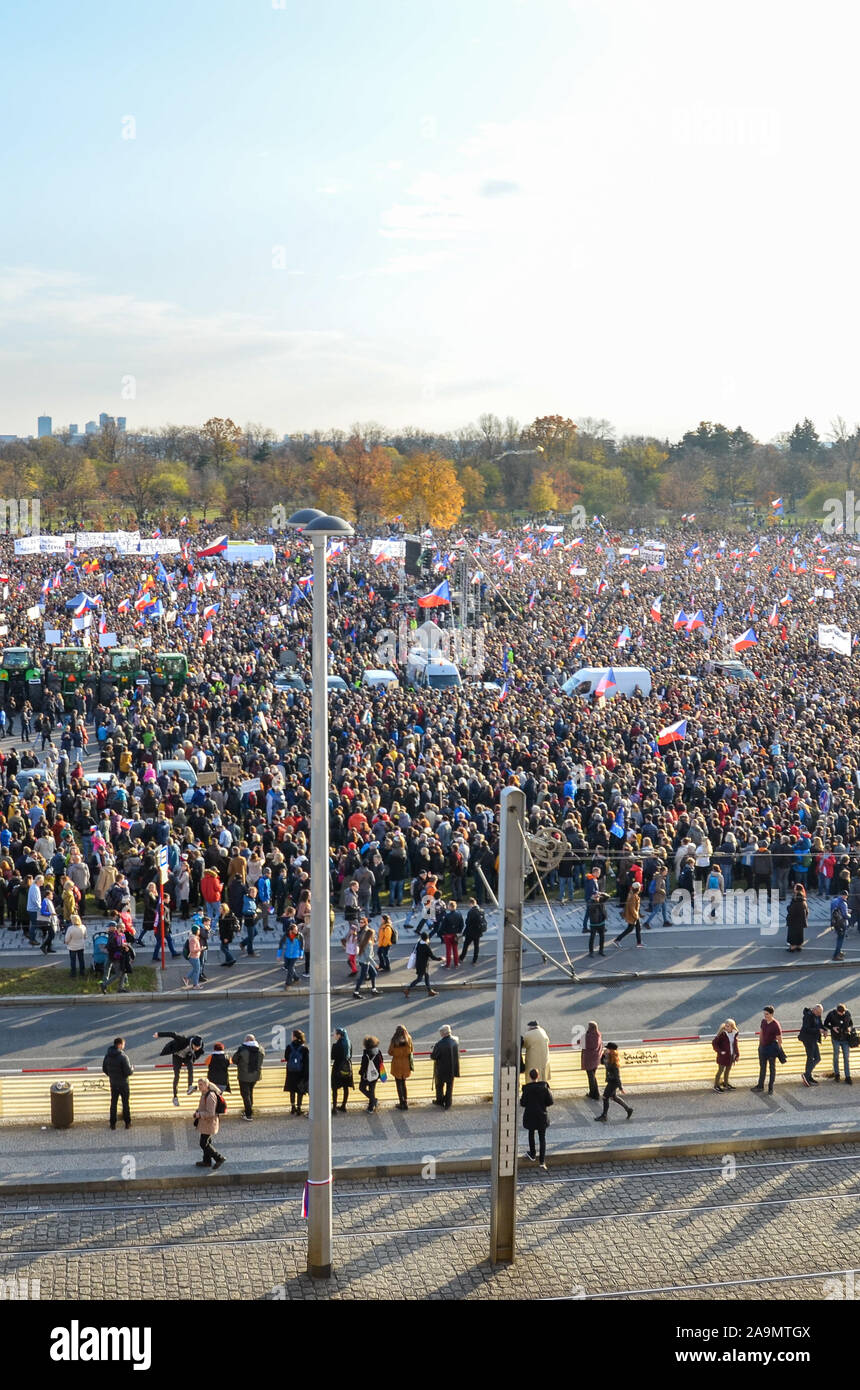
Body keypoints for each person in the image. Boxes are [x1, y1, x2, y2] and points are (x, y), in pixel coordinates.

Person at [154, 1030, 204, 1106]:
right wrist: (159, 1034)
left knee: (190, 1067)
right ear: (192, 1043)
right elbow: (173, 1034)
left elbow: (197, 1054)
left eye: (198, 1047)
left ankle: (190, 1086)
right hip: (177, 1056)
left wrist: (192, 1058)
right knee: (177, 1075)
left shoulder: (200, 1045)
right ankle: (175, 1097)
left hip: (187, 1056)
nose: (197, 1048)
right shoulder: (183, 1040)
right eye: (195, 1047)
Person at [520, 1067, 553, 1169]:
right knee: (542, 1137)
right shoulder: (544, 1088)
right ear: (538, 1076)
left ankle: (532, 1154)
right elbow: (550, 1101)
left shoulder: (527, 1089)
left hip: (530, 1115)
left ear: (530, 1076)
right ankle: (542, 1161)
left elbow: (522, 1103)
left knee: (531, 1133)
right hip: (542, 1115)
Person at [594, 1042, 633, 1121]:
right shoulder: (608, 1057)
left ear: (612, 1050)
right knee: (614, 1097)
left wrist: (620, 1087)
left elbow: (617, 1076)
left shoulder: (614, 1062)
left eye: (608, 1048)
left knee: (605, 1097)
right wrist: (603, 1055)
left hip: (613, 1082)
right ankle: (628, 1109)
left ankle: (604, 1116)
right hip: (610, 1080)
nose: (606, 1049)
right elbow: (602, 1062)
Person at [193, 1077, 226, 1170]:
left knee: (203, 1143)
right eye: (199, 1084)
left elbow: (211, 1113)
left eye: (201, 1085)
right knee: (207, 1142)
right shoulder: (205, 1094)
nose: (199, 1087)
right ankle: (207, 1161)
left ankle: (219, 1158)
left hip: (209, 1123)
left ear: (207, 1085)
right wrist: (197, 1112)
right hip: (205, 1123)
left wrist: (199, 1114)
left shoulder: (210, 1096)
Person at [102, 1035, 133, 1131]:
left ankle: (112, 1124)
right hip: (123, 1084)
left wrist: (111, 1075)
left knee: (113, 1104)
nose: (124, 1046)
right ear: (119, 1045)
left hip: (113, 1083)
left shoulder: (108, 1055)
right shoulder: (123, 1057)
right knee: (125, 1104)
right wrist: (132, 1069)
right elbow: (128, 1072)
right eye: (123, 1044)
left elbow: (104, 1069)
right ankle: (127, 1123)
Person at [751, 1005, 783, 1094]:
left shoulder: (775, 1025)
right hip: (762, 1048)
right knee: (762, 1068)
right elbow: (761, 1033)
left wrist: (778, 1051)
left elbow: (780, 1040)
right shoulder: (763, 1021)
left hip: (771, 1049)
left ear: (772, 1014)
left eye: (767, 1014)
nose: (765, 1016)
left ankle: (770, 1087)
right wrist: (760, 1045)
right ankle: (760, 1086)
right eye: (764, 1014)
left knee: (772, 1068)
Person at [233, 1032, 265, 1119]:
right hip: (255, 1075)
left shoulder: (242, 1049)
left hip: (244, 1076)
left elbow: (234, 1060)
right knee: (250, 1093)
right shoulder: (261, 1049)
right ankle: (249, 1109)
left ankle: (248, 1114)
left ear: (246, 1040)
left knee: (245, 1095)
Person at [824, 1002, 855, 1083]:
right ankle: (837, 1074)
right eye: (840, 1013)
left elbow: (851, 1024)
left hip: (845, 1039)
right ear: (837, 1011)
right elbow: (825, 1024)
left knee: (846, 1058)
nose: (842, 1014)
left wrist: (849, 1028)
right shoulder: (831, 1014)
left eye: (843, 1012)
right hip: (836, 1039)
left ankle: (847, 1076)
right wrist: (832, 1028)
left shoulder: (847, 1014)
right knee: (836, 1056)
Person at [430, 1023, 460, 1109]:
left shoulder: (439, 1044)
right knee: (449, 1086)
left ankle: (440, 1101)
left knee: (439, 1086)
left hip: (441, 1069)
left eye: (440, 1032)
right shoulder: (455, 1041)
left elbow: (434, 1056)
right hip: (452, 1068)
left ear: (443, 1033)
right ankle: (448, 1102)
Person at [403, 930, 440, 999]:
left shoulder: (419, 943)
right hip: (423, 965)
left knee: (426, 976)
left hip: (419, 964)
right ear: (427, 938)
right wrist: (440, 958)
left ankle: (429, 991)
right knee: (419, 979)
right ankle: (408, 989)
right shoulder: (426, 946)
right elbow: (432, 957)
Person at [100, 919, 133, 994]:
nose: (123, 929)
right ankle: (104, 984)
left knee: (123, 972)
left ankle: (120, 988)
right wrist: (122, 946)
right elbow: (112, 947)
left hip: (121, 956)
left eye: (124, 928)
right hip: (115, 957)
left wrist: (126, 947)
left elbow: (125, 942)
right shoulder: (114, 936)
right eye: (122, 928)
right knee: (119, 973)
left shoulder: (122, 935)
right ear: (117, 928)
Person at [283, 1028, 310, 1114]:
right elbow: (306, 1062)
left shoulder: (289, 1047)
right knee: (300, 1090)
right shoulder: (304, 1048)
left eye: (292, 1035)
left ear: (295, 1037)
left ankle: (292, 1107)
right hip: (300, 1072)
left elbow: (287, 1057)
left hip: (291, 1072)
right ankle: (299, 1108)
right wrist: (306, 1074)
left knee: (292, 1090)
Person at [798, 1003, 826, 1086]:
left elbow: (820, 1024)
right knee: (812, 1057)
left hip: (813, 1039)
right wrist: (818, 1030)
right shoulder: (808, 1016)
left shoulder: (817, 1015)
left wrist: (824, 1030)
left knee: (817, 1058)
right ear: (814, 1010)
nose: (819, 1014)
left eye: (820, 1013)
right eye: (818, 1012)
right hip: (807, 1039)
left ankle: (808, 1075)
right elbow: (807, 1028)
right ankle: (806, 1075)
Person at [388, 1024, 414, 1109]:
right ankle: (405, 1102)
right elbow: (412, 1050)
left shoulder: (394, 1040)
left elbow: (390, 1052)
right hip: (406, 1063)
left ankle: (401, 1102)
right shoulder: (409, 1039)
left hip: (397, 1064)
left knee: (398, 1083)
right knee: (404, 1083)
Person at [358, 1034, 385, 1112]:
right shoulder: (378, 1052)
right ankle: (371, 1104)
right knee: (372, 1089)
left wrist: (361, 1073)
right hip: (376, 1074)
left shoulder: (366, 1054)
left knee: (362, 1088)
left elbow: (363, 1066)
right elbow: (381, 1061)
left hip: (366, 1075)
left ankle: (373, 1102)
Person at [711, 1019, 740, 1091]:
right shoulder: (722, 1034)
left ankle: (725, 1083)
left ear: (732, 1027)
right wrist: (720, 1051)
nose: (726, 1027)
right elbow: (714, 1043)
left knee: (727, 1070)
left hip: (731, 1056)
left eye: (728, 1026)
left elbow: (735, 1045)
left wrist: (737, 1055)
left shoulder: (734, 1033)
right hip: (723, 1056)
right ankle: (716, 1085)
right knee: (720, 1071)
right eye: (726, 1026)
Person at [613, 881, 643, 948]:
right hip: (633, 916)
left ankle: (639, 942)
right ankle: (617, 940)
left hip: (634, 915)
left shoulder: (633, 894)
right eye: (639, 887)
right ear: (637, 889)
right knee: (630, 929)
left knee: (638, 928)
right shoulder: (633, 896)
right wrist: (636, 916)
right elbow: (632, 908)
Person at [331, 1026, 354, 1113]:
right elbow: (350, 1055)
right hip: (347, 1067)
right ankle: (344, 1106)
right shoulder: (349, 1043)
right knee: (345, 1087)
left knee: (335, 1088)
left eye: (335, 1034)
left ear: (339, 1035)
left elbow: (333, 1057)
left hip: (338, 1067)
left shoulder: (336, 1045)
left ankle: (334, 1108)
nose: (334, 1035)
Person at [353, 923, 380, 998]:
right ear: (371, 935)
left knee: (373, 973)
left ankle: (373, 989)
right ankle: (356, 992)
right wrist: (375, 964)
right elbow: (368, 957)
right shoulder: (369, 943)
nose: (374, 936)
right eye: (374, 935)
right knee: (362, 977)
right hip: (365, 962)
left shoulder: (364, 941)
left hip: (362, 961)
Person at [580, 1020, 603, 1100]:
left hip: (589, 1059)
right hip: (596, 1059)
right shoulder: (598, 1035)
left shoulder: (588, 1036)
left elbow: (580, 1042)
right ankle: (594, 1093)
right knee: (593, 1076)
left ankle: (594, 1094)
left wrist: (586, 1033)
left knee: (591, 1077)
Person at [440, 899, 464, 969]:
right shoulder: (459, 914)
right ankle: (456, 963)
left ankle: (448, 964)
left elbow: (443, 926)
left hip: (448, 935)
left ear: (450, 907)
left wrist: (443, 933)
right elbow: (462, 925)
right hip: (456, 934)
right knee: (455, 949)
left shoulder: (447, 916)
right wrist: (459, 932)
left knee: (448, 950)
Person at [462, 898, 486, 964]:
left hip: (471, 932)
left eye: (469, 904)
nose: (468, 906)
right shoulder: (481, 910)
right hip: (478, 931)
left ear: (471, 904)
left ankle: (462, 957)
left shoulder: (471, 912)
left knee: (466, 945)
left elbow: (467, 923)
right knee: (476, 946)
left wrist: (464, 933)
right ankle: (474, 960)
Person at [64, 912, 87, 979]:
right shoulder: (83, 927)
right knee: (81, 959)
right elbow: (85, 936)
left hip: (72, 947)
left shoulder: (70, 928)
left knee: (73, 960)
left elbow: (67, 939)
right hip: (81, 946)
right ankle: (82, 972)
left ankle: (73, 973)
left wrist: (66, 942)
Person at [786, 883, 808, 952]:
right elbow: (806, 910)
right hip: (801, 920)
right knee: (799, 933)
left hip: (794, 920)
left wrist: (788, 908)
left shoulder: (795, 898)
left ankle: (792, 947)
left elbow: (792, 909)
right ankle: (799, 946)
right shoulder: (803, 898)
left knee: (792, 933)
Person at [182, 923, 204, 990]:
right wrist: (200, 949)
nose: (199, 931)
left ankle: (186, 978)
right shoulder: (193, 939)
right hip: (194, 957)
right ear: (196, 931)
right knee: (197, 971)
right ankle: (195, 985)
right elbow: (192, 950)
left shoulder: (193, 937)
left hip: (194, 956)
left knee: (196, 969)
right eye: (199, 930)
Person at [586, 890, 609, 956]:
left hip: (601, 922)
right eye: (595, 895)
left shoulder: (601, 900)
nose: (597, 896)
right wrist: (595, 900)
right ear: (592, 896)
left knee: (602, 937)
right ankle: (591, 952)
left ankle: (601, 950)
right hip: (594, 923)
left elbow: (608, 897)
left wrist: (601, 893)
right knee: (592, 938)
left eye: (597, 895)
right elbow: (592, 908)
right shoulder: (590, 902)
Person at [831, 889, 850, 961]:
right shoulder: (843, 903)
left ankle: (839, 951)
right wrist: (849, 914)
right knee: (840, 939)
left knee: (839, 938)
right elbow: (845, 915)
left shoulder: (834, 901)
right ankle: (836, 955)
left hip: (836, 923)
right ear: (845, 896)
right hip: (842, 924)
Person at [217, 903, 238, 968]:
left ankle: (231, 958)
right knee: (226, 948)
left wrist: (226, 937)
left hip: (227, 935)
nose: (219, 909)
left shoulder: (228, 917)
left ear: (224, 909)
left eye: (221, 908)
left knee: (223, 948)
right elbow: (221, 927)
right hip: (223, 935)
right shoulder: (221, 916)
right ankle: (228, 961)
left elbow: (229, 929)